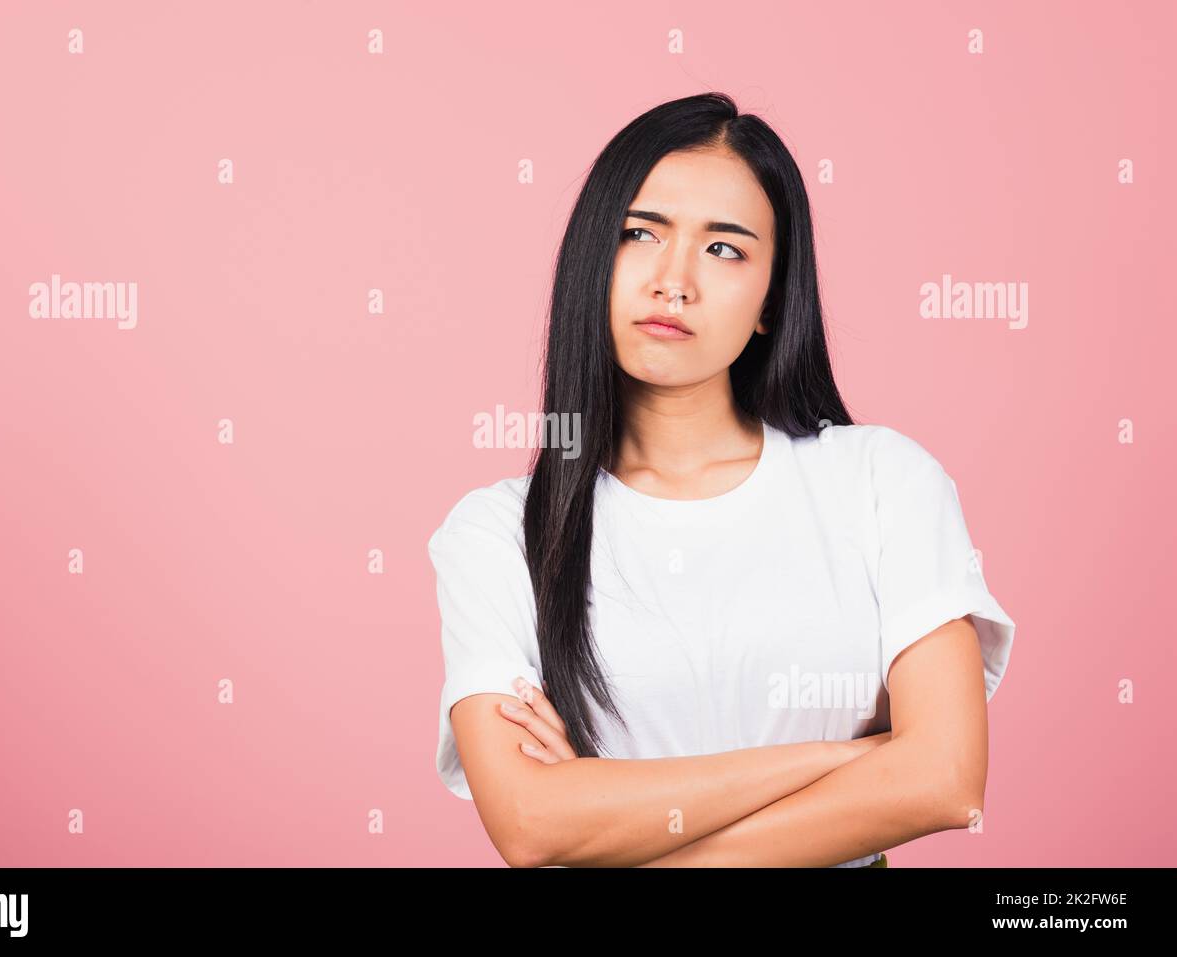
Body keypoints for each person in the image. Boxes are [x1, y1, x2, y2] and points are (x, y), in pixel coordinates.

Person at [428, 92, 1015, 868]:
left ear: (773, 299)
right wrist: (838, 759)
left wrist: (612, 818)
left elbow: (943, 780)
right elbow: (530, 824)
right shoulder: (498, 533)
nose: (674, 281)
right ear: (590, 257)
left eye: (725, 249)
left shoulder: (883, 481)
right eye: (639, 233)